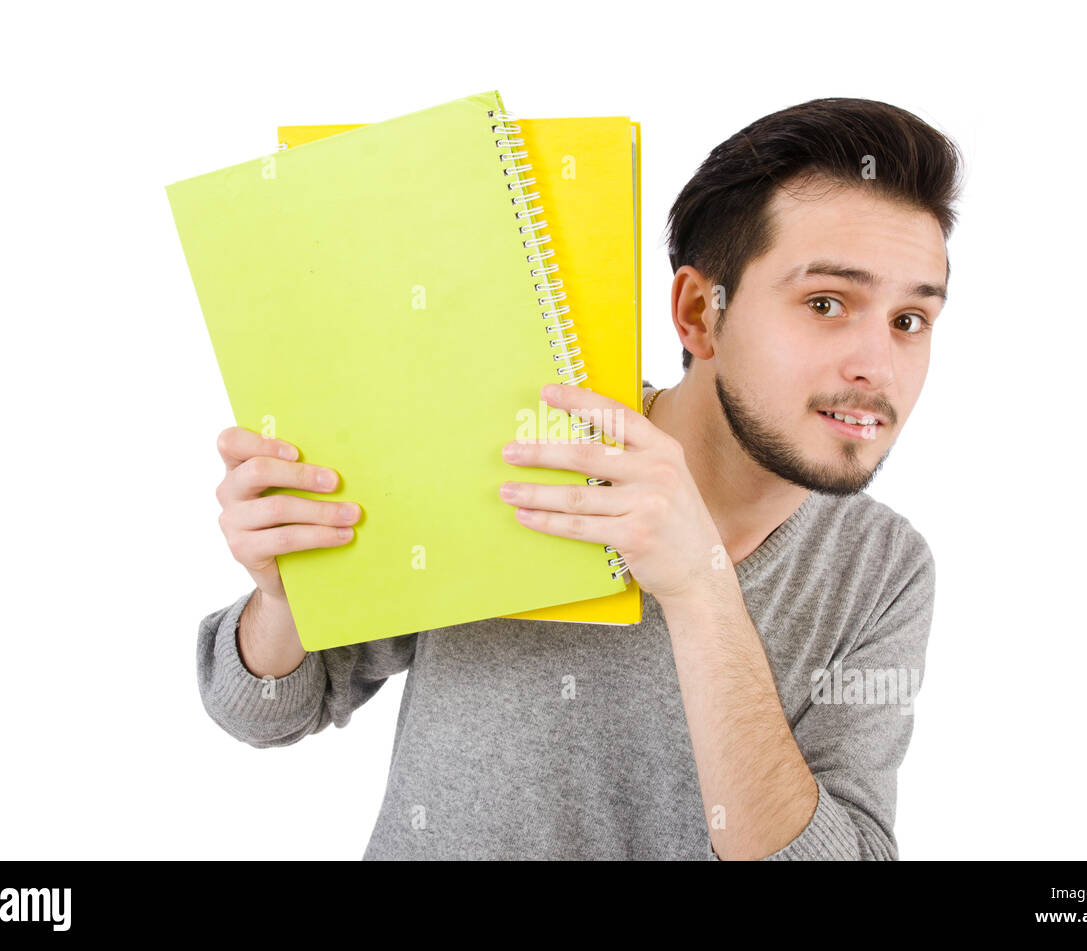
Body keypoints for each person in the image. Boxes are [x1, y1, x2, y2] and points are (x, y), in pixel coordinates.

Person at [198, 97, 962, 860]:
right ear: (700, 313)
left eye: (910, 320)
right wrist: (284, 597)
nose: (879, 365)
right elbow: (265, 710)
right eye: (826, 302)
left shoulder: (882, 569)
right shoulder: (531, 441)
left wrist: (699, 586)